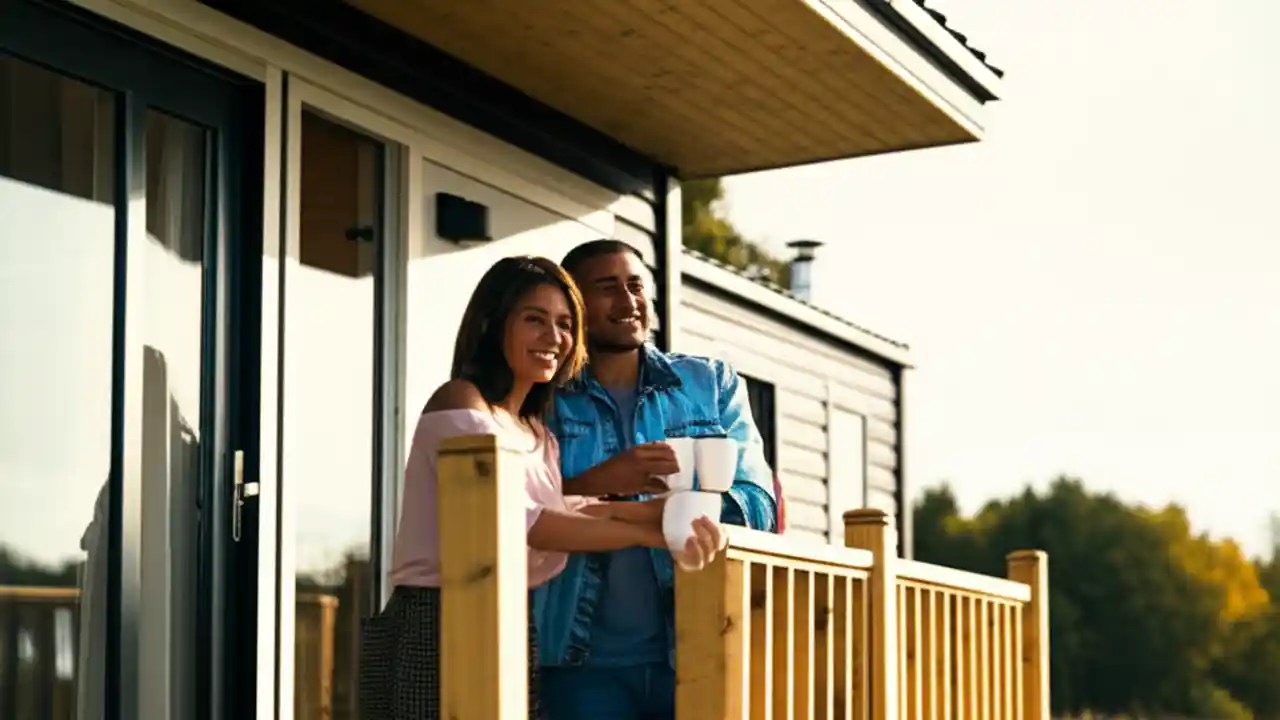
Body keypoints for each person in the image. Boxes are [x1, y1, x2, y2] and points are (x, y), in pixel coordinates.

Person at [358, 255, 726, 719]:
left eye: (565, 324)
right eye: (535, 320)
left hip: (511, 622)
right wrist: (653, 532)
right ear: (492, 324)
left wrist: (674, 518)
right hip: (439, 620)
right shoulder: (461, 400)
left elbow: (573, 512)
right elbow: (528, 524)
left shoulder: (537, 433)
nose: (554, 337)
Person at [535, 240, 778, 719]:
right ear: (574, 305)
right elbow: (524, 510)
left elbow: (759, 504)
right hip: (580, 664)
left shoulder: (711, 383)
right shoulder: (545, 397)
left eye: (636, 286)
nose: (628, 301)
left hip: (700, 647)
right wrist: (604, 483)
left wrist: (675, 512)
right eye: (607, 288)